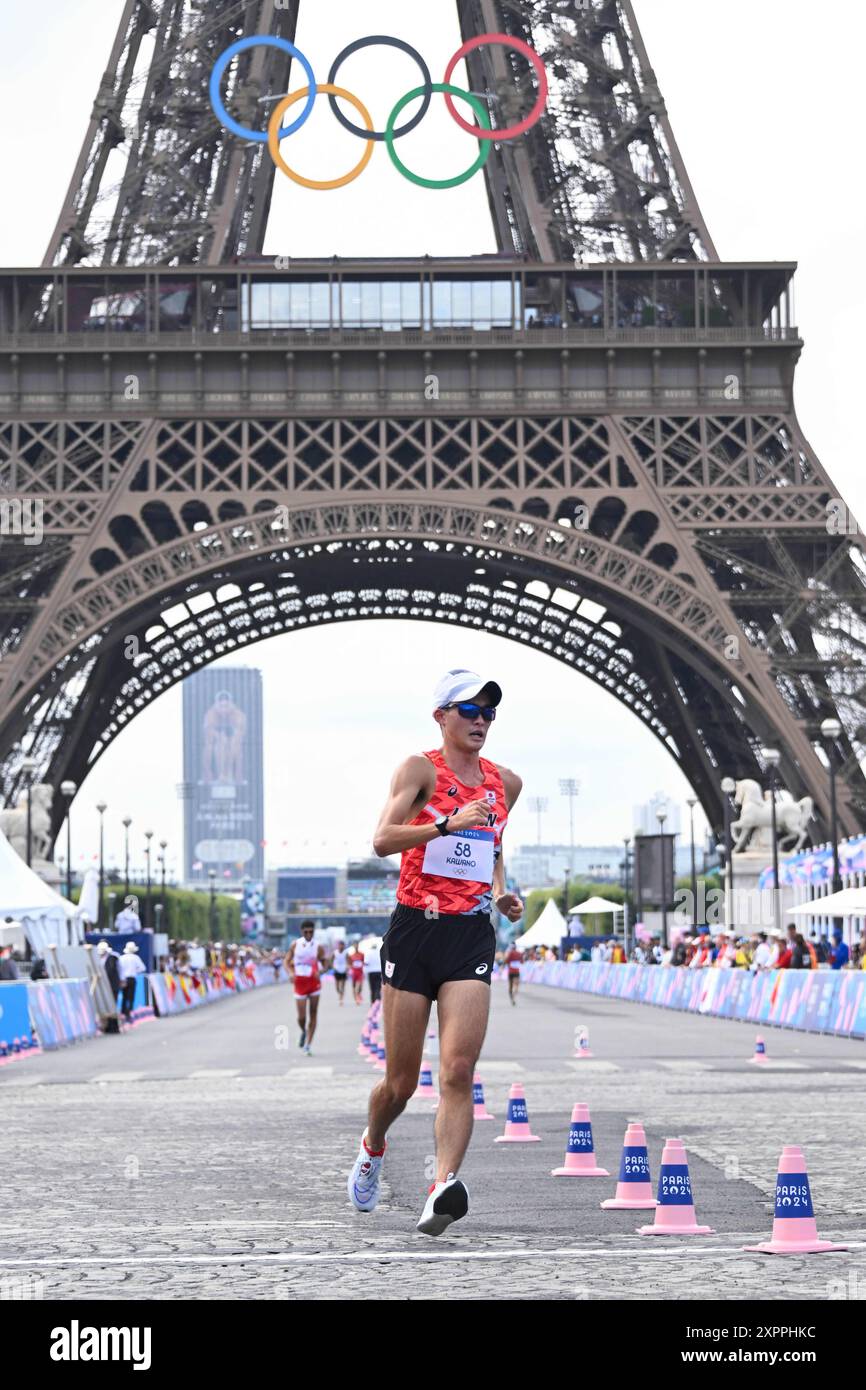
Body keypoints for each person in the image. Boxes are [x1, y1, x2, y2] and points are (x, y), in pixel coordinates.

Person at [347, 668, 523, 1236]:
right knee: (399, 1084)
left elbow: (492, 847)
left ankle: (442, 1185)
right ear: (441, 716)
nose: (480, 720)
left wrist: (500, 891)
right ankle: (374, 1145)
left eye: (489, 711)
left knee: (458, 1070)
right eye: (468, 710)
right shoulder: (419, 769)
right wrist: (444, 824)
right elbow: (381, 840)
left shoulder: (506, 783)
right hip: (415, 930)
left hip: (469, 933)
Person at [287, 921, 327, 1055]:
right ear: (302, 932)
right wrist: (291, 973)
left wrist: (321, 971)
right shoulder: (295, 945)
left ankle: (308, 1045)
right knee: (301, 1017)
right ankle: (303, 1031)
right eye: (306, 932)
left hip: (314, 982)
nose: (309, 934)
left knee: (313, 1013)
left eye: (311, 932)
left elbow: (325, 962)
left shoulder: (318, 946)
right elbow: (286, 961)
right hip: (299, 982)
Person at [117, 941, 145, 1021]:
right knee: (131, 996)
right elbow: (142, 968)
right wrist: (135, 971)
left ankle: (123, 1011)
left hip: (124, 978)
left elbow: (119, 969)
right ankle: (129, 1012)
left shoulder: (122, 958)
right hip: (131, 978)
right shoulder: (135, 958)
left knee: (124, 996)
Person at [364, 938, 382, 1004]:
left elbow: (366, 962)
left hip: (371, 972)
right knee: (378, 988)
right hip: (379, 971)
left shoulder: (369, 952)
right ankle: (378, 1001)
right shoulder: (379, 952)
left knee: (372, 988)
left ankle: (373, 1002)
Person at [332, 940, 348, 1005]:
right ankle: (339, 993)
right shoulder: (335, 952)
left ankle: (341, 999)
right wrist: (332, 966)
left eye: (342, 945)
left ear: (344, 946)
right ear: (338, 946)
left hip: (343, 970)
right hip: (337, 970)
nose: (341, 946)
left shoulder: (345, 953)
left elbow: (349, 960)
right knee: (337, 987)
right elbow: (331, 960)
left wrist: (348, 967)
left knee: (342, 986)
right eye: (340, 945)